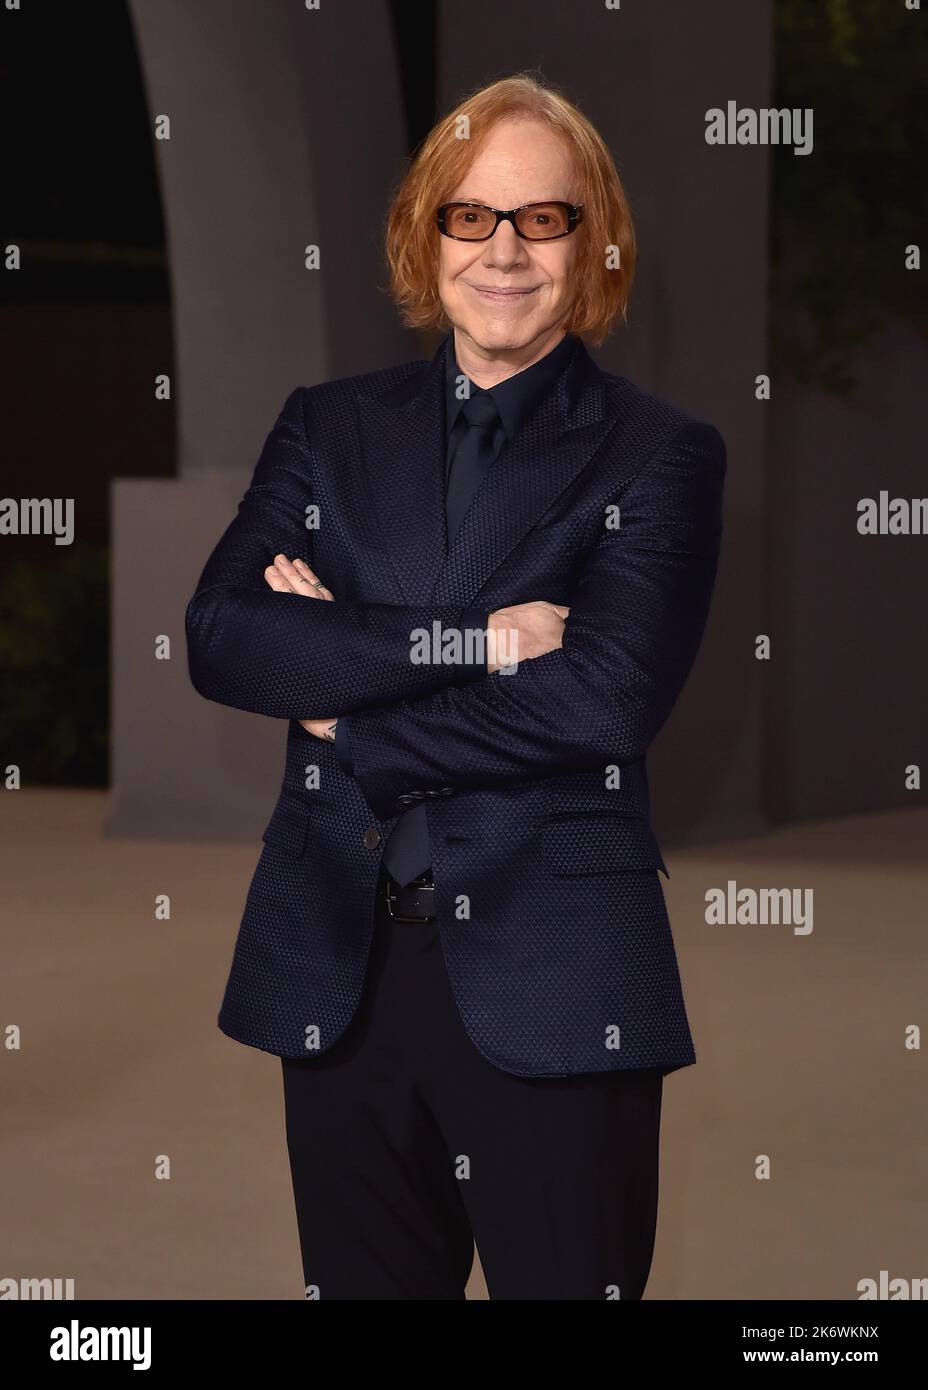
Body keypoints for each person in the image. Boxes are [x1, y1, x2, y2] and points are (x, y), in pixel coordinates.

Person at [185, 72, 726, 1301]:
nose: (503, 252)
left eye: (543, 219)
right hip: (338, 968)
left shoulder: (663, 453)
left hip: (558, 973)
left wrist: (349, 707)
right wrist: (475, 641)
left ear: (596, 247)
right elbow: (223, 635)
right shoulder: (325, 427)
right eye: (469, 217)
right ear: (420, 240)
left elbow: (599, 702)